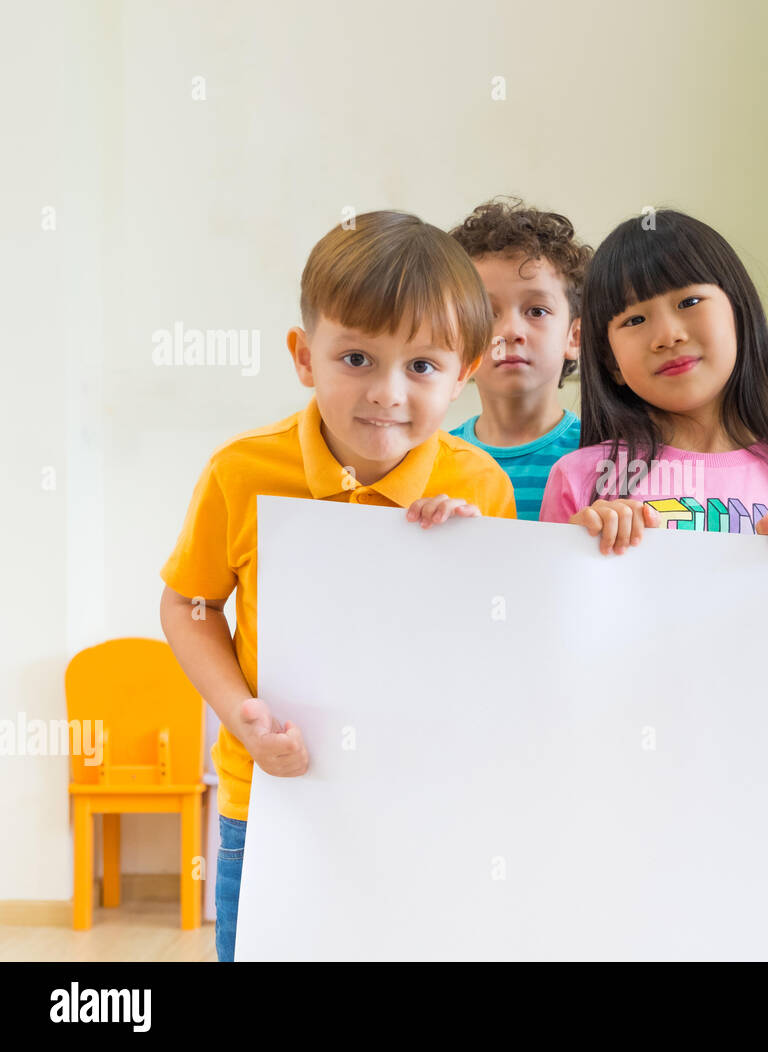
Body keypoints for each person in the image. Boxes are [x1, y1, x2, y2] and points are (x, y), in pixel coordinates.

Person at [159, 211, 515, 961]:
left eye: (422, 366)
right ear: (303, 355)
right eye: (356, 357)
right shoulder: (242, 471)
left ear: (466, 372)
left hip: (419, 805)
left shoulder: (477, 484)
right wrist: (238, 712)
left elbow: (496, 647)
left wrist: (466, 560)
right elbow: (188, 604)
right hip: (270, 807)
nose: (386, 392)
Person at [540, 209, 768, 554]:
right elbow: (556, 604)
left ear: (740, 315)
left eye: (689, 302)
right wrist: (583, 547)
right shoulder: (579, 479)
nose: (668, 336)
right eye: (635, 319)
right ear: (610, 362)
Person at [447, 198, 589, 520]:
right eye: (487, 313)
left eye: (536, 311)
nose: (510, 331)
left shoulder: (604, 460)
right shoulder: (431, 460)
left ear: (575, 337)